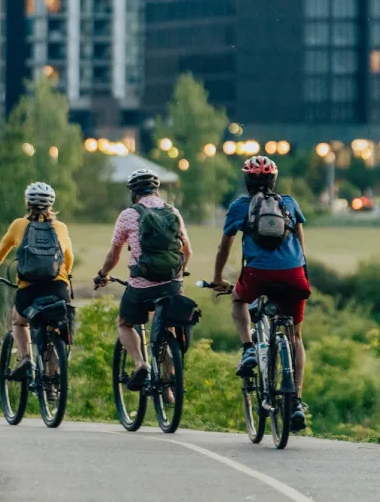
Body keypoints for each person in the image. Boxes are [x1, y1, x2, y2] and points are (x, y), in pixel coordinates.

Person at [210, 155, 312, 432]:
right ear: (273, 180)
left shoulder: (239, 206)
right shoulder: (289, 203)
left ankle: (248, 350)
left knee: (238, 301)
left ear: (246, 182)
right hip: (293, 274)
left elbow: (224, 248)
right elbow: (301, 245)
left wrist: (218, 278)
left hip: (258, 275)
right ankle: (297, 403)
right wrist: (302, 272)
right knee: (296, 337)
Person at [94, 168, 192, 391]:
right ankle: (169, 381)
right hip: (173, 284)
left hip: (142, 285)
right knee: (168, 327)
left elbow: (114, 256)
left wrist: (102, 275)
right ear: (156, 190)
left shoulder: (128, 215)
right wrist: (180, 272)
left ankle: (140, 363)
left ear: (133, 192)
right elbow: (187, 251)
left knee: (125, 323)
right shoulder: (173, 212)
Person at [0, 182, 74, 381]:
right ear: (51, 204)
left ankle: (25, 359)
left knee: (19, 321)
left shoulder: (18, 225)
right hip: (58, 286)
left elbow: (1, 252)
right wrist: (65, 277)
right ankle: (53, 379)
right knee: (53, 327)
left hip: (29, 288)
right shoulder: (60, 227)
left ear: (28, 203)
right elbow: (69, 258)